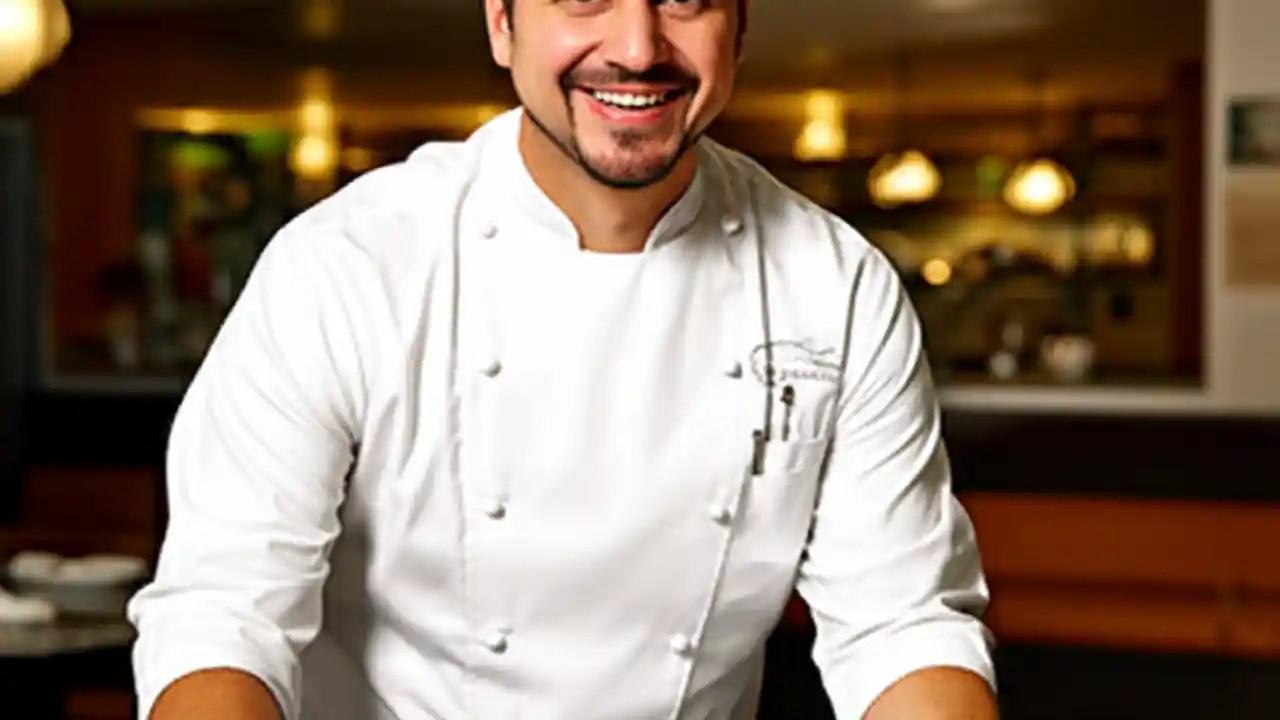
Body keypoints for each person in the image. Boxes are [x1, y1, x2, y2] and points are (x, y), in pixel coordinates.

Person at [128, 0, 999, 718]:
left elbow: (902, 626)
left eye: (686, 0)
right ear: (500, 22)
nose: (637, 47)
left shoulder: (834, 286)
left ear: (740, 28)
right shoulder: (348, 266)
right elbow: (226, 618)